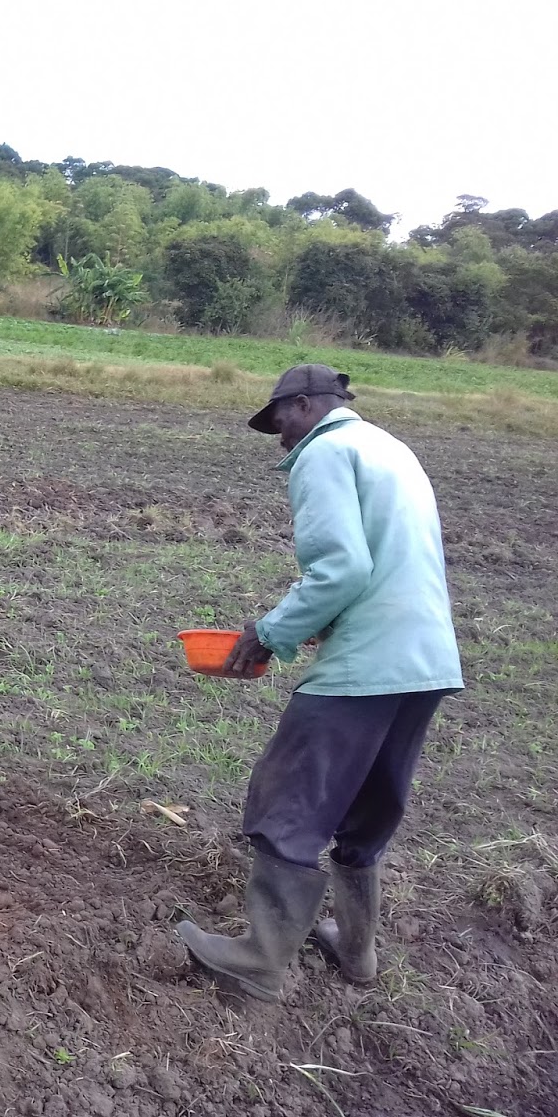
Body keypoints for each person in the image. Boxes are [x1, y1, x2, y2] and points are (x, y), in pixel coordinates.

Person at [176, 364, 462, 1003]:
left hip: (368, 661)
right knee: (368, 805)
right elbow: (389, 561)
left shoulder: (325, 451)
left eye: (279, 420)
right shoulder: (392, 450)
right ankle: (356, 950)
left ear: (304, 405)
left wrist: (268, 632)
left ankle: (259, 960)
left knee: (291, 797)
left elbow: (341, 568)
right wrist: (325, 622)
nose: (279, 437)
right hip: (427, 659)